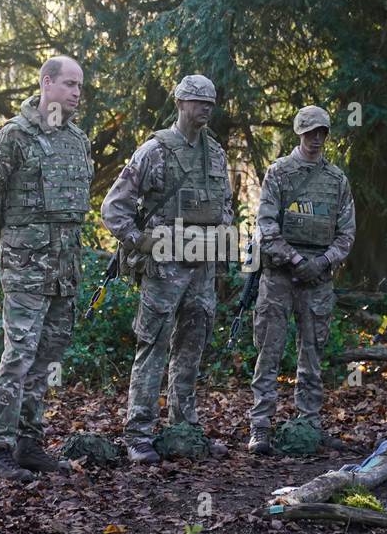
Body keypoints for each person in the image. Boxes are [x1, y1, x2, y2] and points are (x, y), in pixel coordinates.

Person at [100, 74, 232, 464]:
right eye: (196, 101)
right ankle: (138, 433)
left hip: (201, 268)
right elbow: (114, 207)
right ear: (180, 103)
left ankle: (183, 429)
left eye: (209, 101)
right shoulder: (154, 151)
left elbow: (224, 204)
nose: (204, 107)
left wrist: (221, 235)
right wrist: (141, 241)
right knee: (152, 344)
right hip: (164, 267)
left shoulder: (216, 153)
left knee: (192, 346)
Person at [0, 56, 92, 480]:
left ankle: (29, 443)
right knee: (19, 355)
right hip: (26, 266)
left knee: (48, 359)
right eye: (69, 84)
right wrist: (17, 243)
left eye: (80, 86)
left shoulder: (77, 140)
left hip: (65, 266)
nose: (77, 93)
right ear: (46, 83)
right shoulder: (13, 138)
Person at [247, 106, 355, 453]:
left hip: (318, 279)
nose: (317, 139)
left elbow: (347, 233)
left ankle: (308, 424)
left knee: (312, 353)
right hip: (280, 276)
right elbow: (265, 225)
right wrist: (295, 260)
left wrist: (322, 261)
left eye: (322, 132)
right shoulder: (279, 173)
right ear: (299, 133)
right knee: (270, 350)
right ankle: (261, 426)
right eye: (311, 133)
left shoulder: (336, 180)